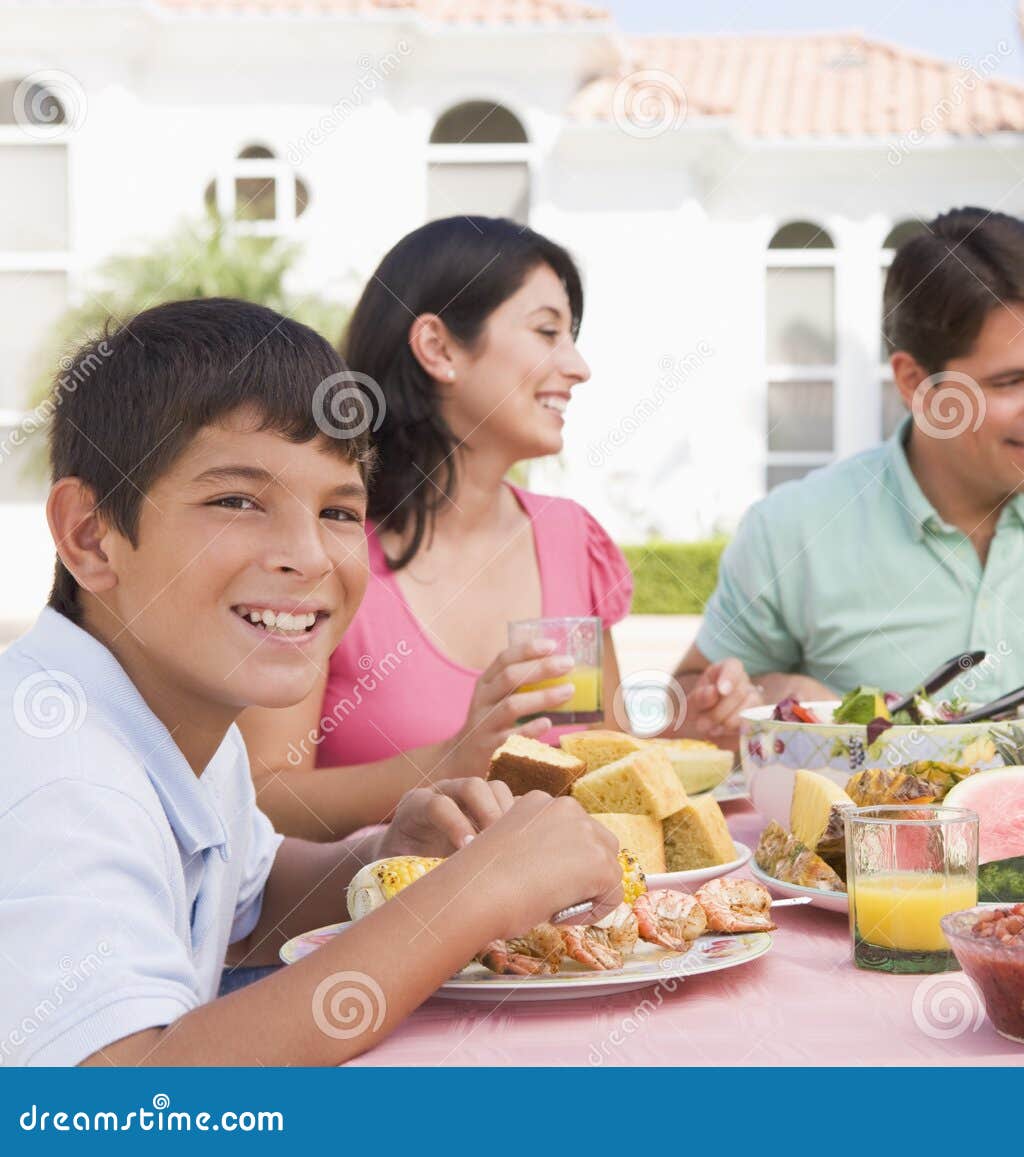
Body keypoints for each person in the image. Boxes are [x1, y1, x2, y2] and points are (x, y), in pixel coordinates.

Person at [0, 299, 622, 1066]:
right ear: (91, 536)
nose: (309, 554)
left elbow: (250, 900)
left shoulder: (179, 721)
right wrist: (471, 897)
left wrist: (385, 856)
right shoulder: (57, 774)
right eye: (237, 500)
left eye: (337, 510)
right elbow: (121, 1108)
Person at [674, 207, 1024, 794]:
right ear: (917, 383)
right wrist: (758, 696)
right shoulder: (790, 528)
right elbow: (687, 705)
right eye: (1011, 381)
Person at [239, 217, 756, 841]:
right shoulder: (324, 551)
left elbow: (604, 760)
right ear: (439, 348)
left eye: (572, 336)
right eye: (547, 332)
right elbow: (264, 797)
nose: (579, 366)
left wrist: (688, 736)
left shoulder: (571, 540)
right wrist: (449, 762)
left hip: (564, 929)